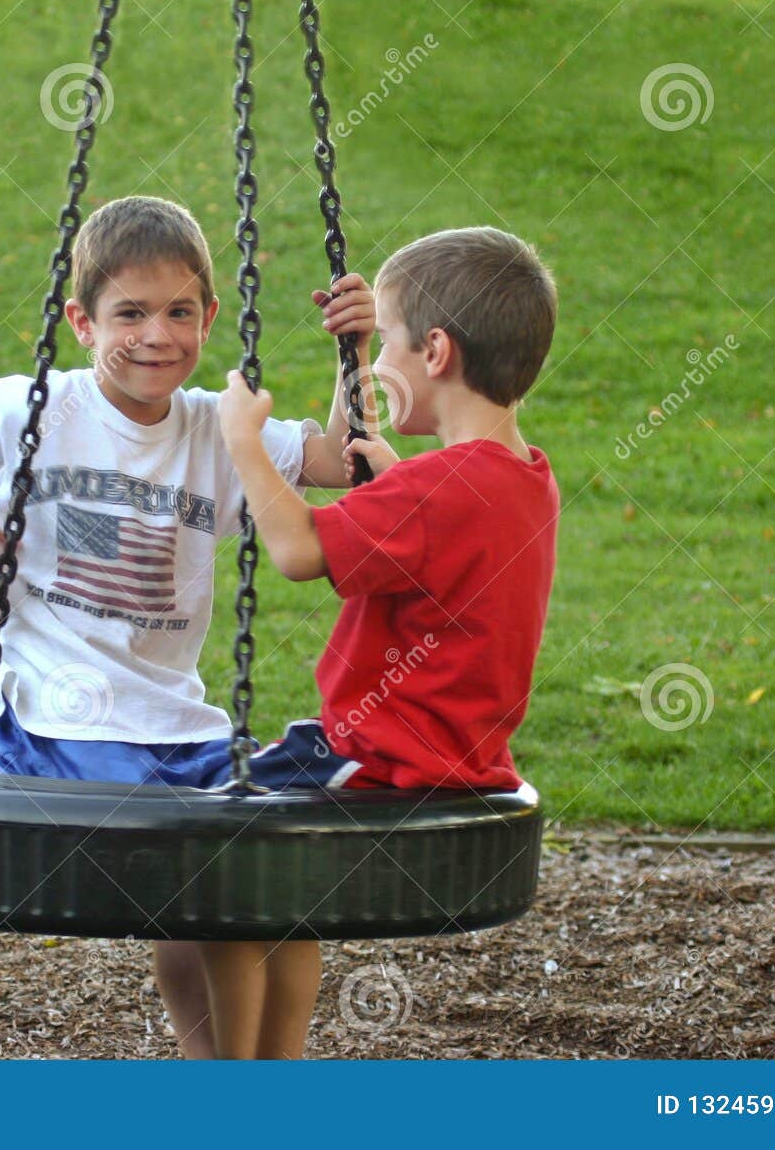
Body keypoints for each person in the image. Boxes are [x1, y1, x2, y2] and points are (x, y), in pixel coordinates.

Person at [0, 195, 374, 1059]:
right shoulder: (36, 411)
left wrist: (351, 353)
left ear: (211, 317)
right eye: (129, 313)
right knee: (204, 873)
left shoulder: (217, 428)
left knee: (277, 873)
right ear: (81, 321)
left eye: (180, 312)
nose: (157, 335)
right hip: (55, 718)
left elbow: (342, 460)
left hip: (174, 725)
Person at [214, 225, 561, 1058]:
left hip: (385, 757)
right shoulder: (523, 476)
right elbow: (438, 531)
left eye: (392, 345)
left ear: (435, 350)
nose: (382, 366)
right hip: (456, 752)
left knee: (208, 869)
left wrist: (243, 444)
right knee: (279, 897)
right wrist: (373, 403)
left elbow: (297, 549)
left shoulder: (435, 490)